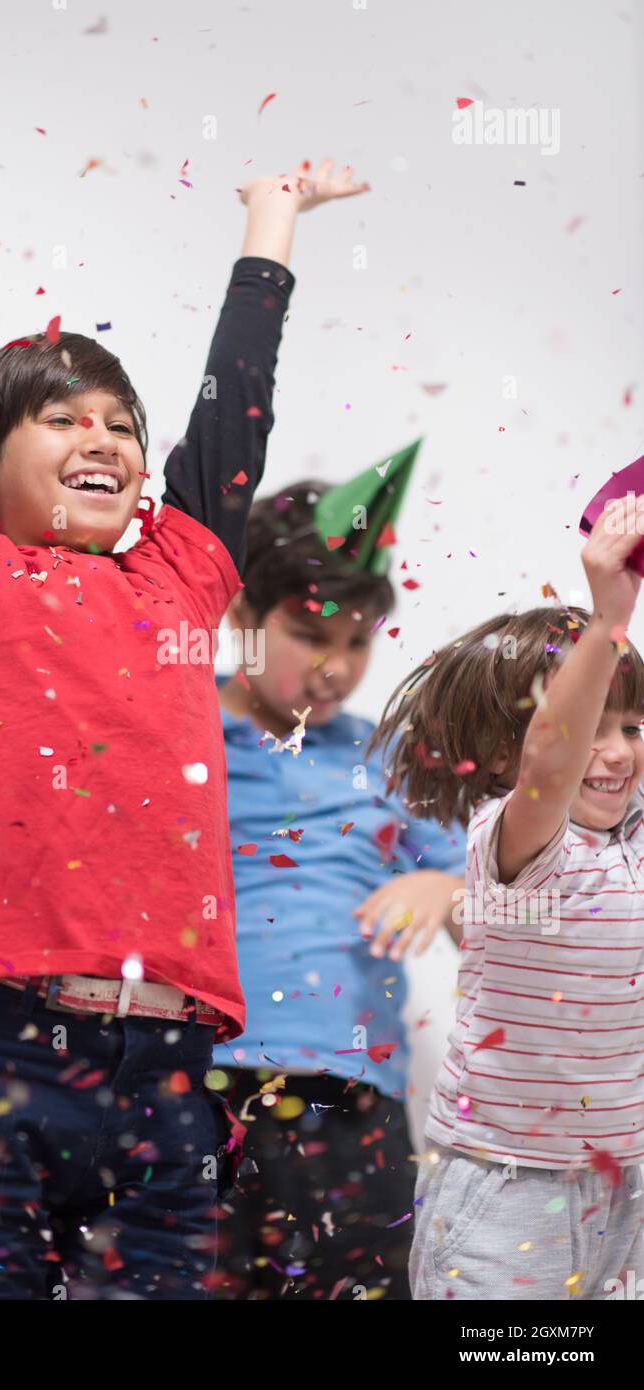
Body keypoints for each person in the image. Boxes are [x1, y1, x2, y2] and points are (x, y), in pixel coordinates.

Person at [0, 73, 366, 1299]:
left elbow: (233, 416)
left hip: (162, 1076)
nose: (103, 436)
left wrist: (273, 222)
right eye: (61, 417)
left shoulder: (181, 576)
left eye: (121, 423)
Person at [369, 490, 644, 1300]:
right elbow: (549, 766)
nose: (615, 752)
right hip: (508, 1188)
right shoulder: (512, 841)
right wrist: (607, 621)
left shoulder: (631, 840)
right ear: (495, 756)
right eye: (594, 723)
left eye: (631, 727)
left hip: (621, 1183)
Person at [211, 459, 466, 1300]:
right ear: (242, 617)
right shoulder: (180, 732)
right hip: (203, 1081)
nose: (336, 667)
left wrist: (447, 890)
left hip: (350, 1101)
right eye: (311, 636)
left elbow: (500, 894)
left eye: (356, 641)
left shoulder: (386, 758)